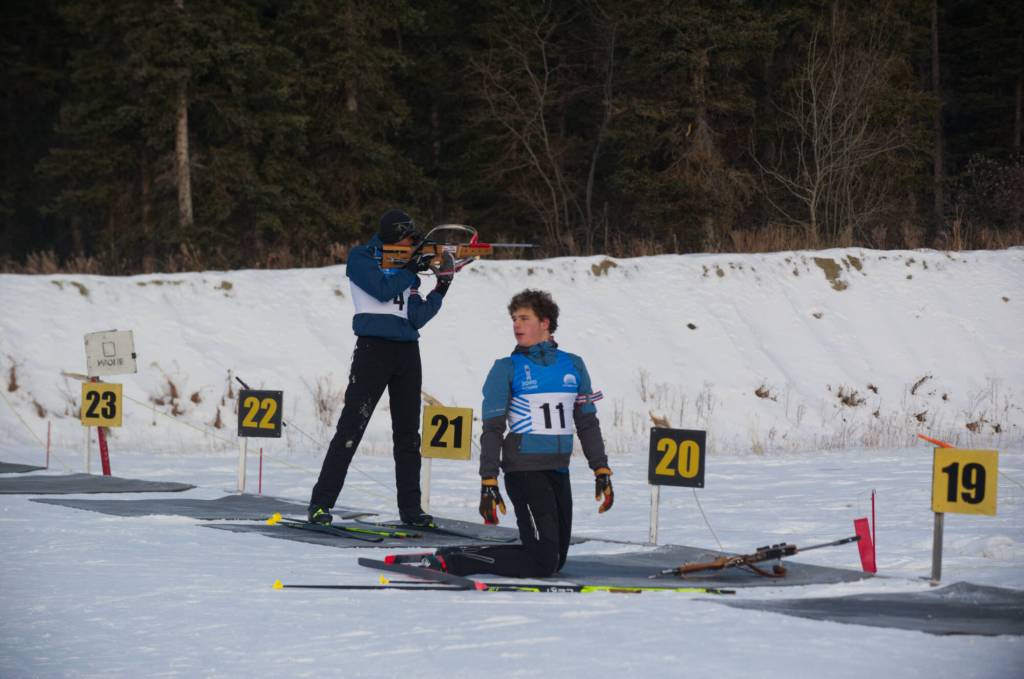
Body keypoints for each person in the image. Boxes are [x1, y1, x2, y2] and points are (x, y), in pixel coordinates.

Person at [427, 289, 614, 577]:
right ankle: (456, 561)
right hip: (524, 471)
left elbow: (587, 422)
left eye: (524, 318)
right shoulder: (506, 368)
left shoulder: (574, 365)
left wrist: (601, 468)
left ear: (545, 323)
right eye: (514, 318)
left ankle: (471, 555)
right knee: (542, 563)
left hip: (558, 470)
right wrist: (488, 479)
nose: (516, 325)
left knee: (554, 560)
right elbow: (492, 429)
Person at [308, 209, 454, 528]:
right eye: (406, 239)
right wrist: (411, 267)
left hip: (407, 351)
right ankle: (321, 504)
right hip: (373, 350)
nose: (411, 245)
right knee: (351, 428)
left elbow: (415, 317)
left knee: (407, 437)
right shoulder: (361, 258)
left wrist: (441, 288)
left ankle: (411, 510)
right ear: (392, 237)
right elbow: (381, 289)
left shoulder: (408, 266)